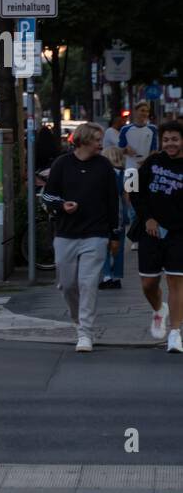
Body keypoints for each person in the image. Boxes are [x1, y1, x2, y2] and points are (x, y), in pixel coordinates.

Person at [40, 122, 120, 353]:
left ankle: (85, 332)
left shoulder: (104, 166)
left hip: (96, 234)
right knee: (67, 285)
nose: (100, 144)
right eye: (97, 140)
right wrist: (62, 206)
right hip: (66, 233)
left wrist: (114, 234)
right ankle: (77, 318)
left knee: (88, 283)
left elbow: (112, 201)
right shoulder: (62, 164)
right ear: (84, 140)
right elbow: (48, 196)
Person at [128, 119, 183, 353]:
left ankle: (175, 332)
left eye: (175, 139)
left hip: (179, 234)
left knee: (176, 282)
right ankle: (159, 309)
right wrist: (147, 217)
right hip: (150, 231)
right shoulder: (152, 162)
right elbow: (133, 189)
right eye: (166, 139)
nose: (170, 143)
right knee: (148, 283)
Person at [99, 145, 129, 290]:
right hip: (122, 215)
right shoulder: (129, 174)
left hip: (105, 214)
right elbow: (129, 196)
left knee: (104, 245)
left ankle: (106, 276)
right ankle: (117, 277)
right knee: (119, 247)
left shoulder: (104, 174)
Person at [120, 101, 158, 172]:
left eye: (147, 111)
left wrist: (147, 161)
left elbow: (154, 150)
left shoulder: (153, 129)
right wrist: (126, 149)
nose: (145, 113)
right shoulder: (125, 129)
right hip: (130, 167)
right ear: (135, 111)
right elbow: (120, 150)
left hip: (147, 167)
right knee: (131, 183)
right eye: (142, 110)